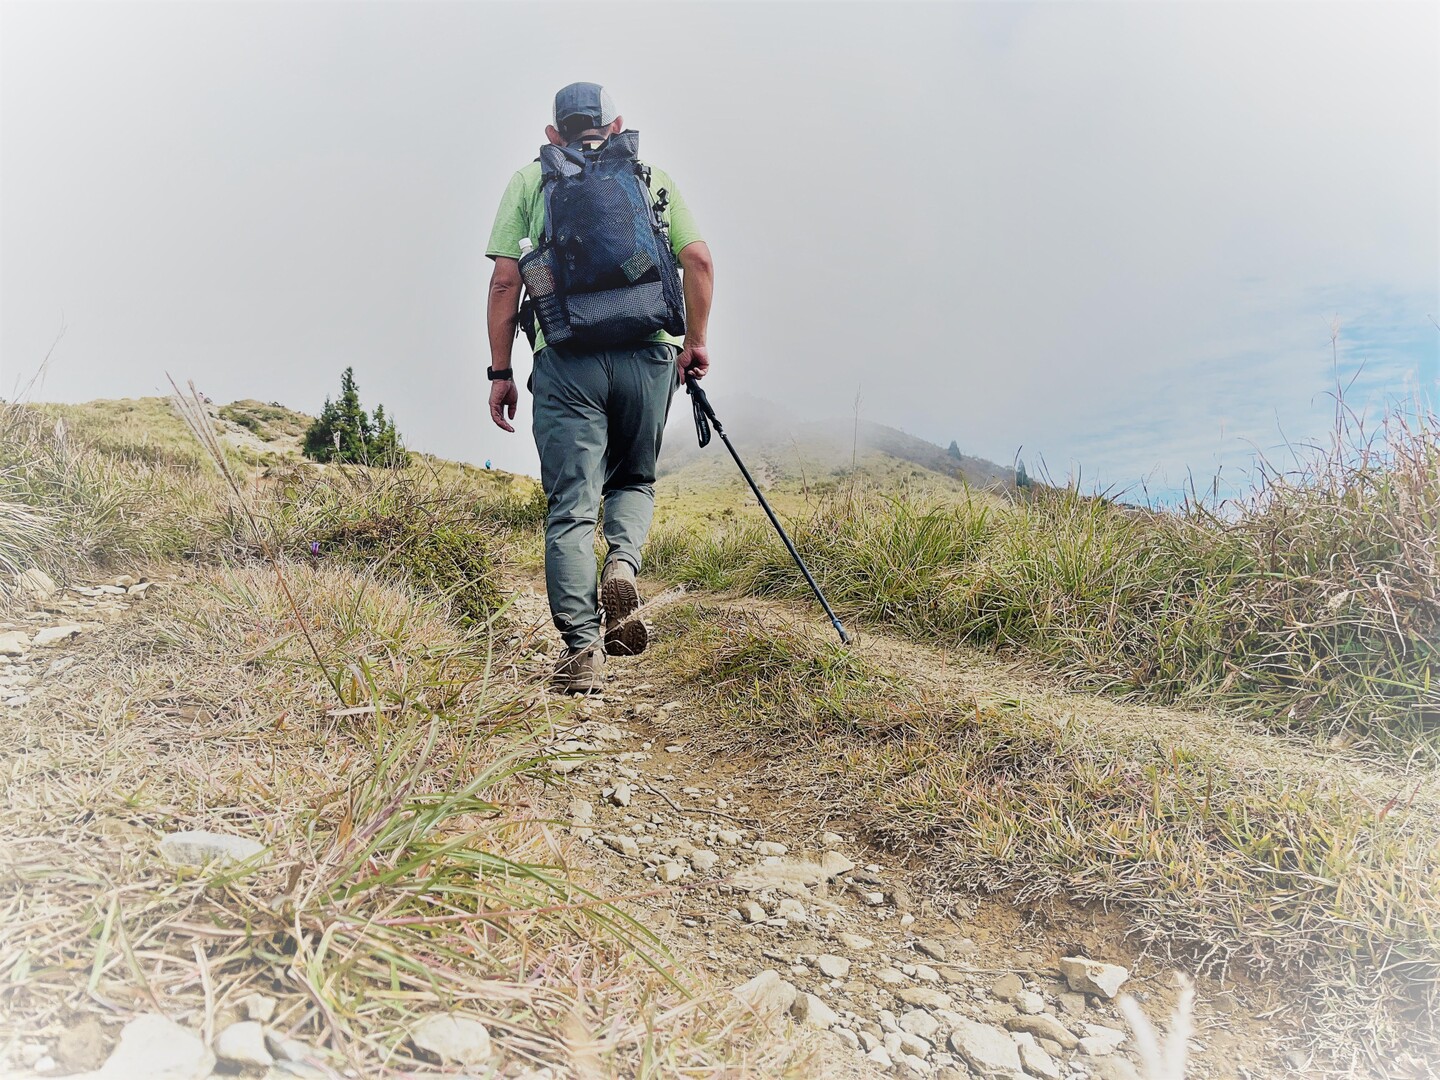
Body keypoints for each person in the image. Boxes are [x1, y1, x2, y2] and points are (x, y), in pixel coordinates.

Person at [485, 82, 714, 693]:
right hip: (648, 354)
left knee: (570, 508)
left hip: (567, 358)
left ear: (552, 134)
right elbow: (698, 261)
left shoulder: (531, 182)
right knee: (634, 479)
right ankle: (622, 562)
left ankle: (584, 651)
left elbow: (506, 283)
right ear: (616, 126)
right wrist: (693, 342)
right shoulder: (649, 176)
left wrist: (501, 371)